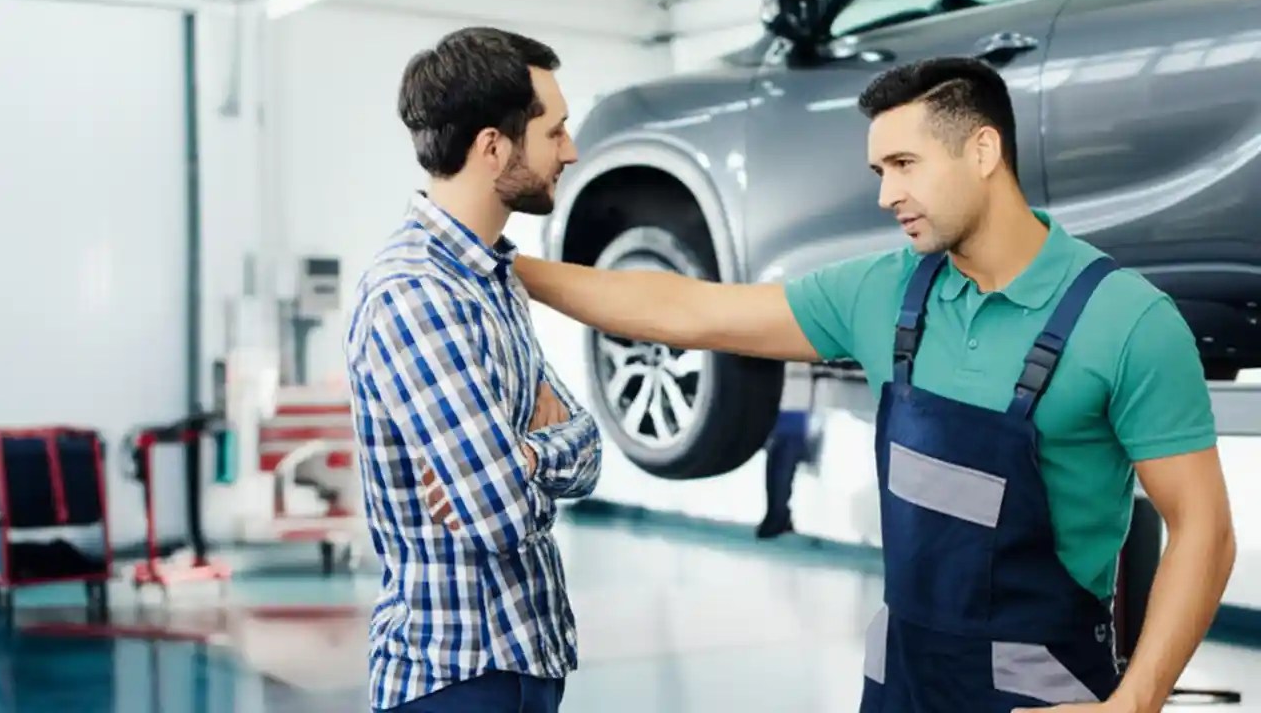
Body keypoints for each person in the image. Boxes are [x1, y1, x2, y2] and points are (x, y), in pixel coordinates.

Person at [514, 57, 1236, 712]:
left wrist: (1135, 702)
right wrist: (506, 268)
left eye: (904, 163)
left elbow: (1203, 528)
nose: (888, 193)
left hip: (1040, 694)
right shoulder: (884, 294)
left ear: (983, 150)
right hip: (900, 682)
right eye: (879, 171)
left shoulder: (1127, 320)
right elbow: (689, 310)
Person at [343, 27, 601, 713]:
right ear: (494, 147)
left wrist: (522, 457)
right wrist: (530, 459)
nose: (569, 151)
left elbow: (590, 448)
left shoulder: (495, 280)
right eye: (555, 131)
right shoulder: (416, 293)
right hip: (455, 677)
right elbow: (498, 515)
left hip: (523, 663)